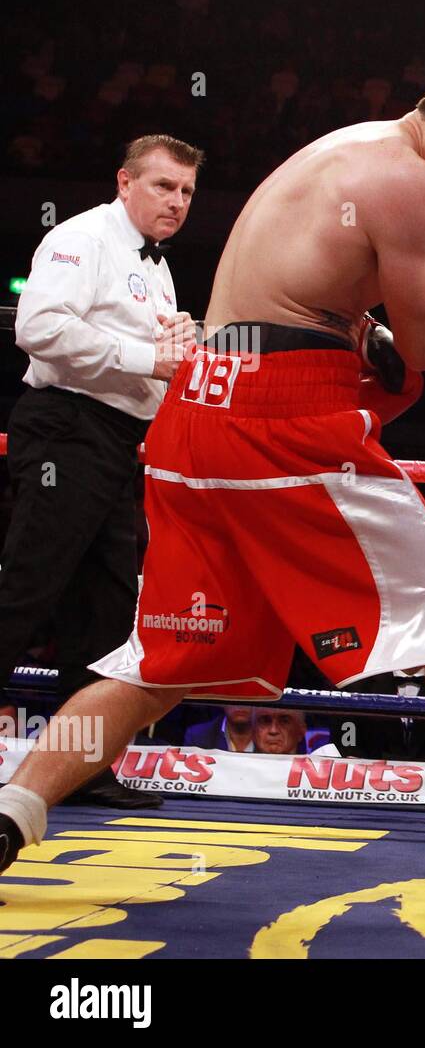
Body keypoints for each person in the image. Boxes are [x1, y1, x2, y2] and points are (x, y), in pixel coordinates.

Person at [0, 42, 425, 910]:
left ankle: (13, 806)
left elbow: (350, 332)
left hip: (196, 419)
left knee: (167, 660)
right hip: (277, 427)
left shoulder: (348, 147)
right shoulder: (409, 179)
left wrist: (368, 345)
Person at [2, 135, 204, 809]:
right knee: (28, 588)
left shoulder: (158, 267)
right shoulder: (81, 237)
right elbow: (37, 326)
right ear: (125, 183)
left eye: (185, 192)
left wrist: (176, 353)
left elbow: (158, 357)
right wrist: (149, 358)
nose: (176, 202)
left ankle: (84, 767)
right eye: (163, 186)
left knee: (106, 610)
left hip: (121, 444)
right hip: (67, 428)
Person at [184, 705, 255, 751]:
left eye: (247, 699)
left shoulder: (264, 735)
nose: (240, 707)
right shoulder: (197, 736)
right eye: (233, 699)